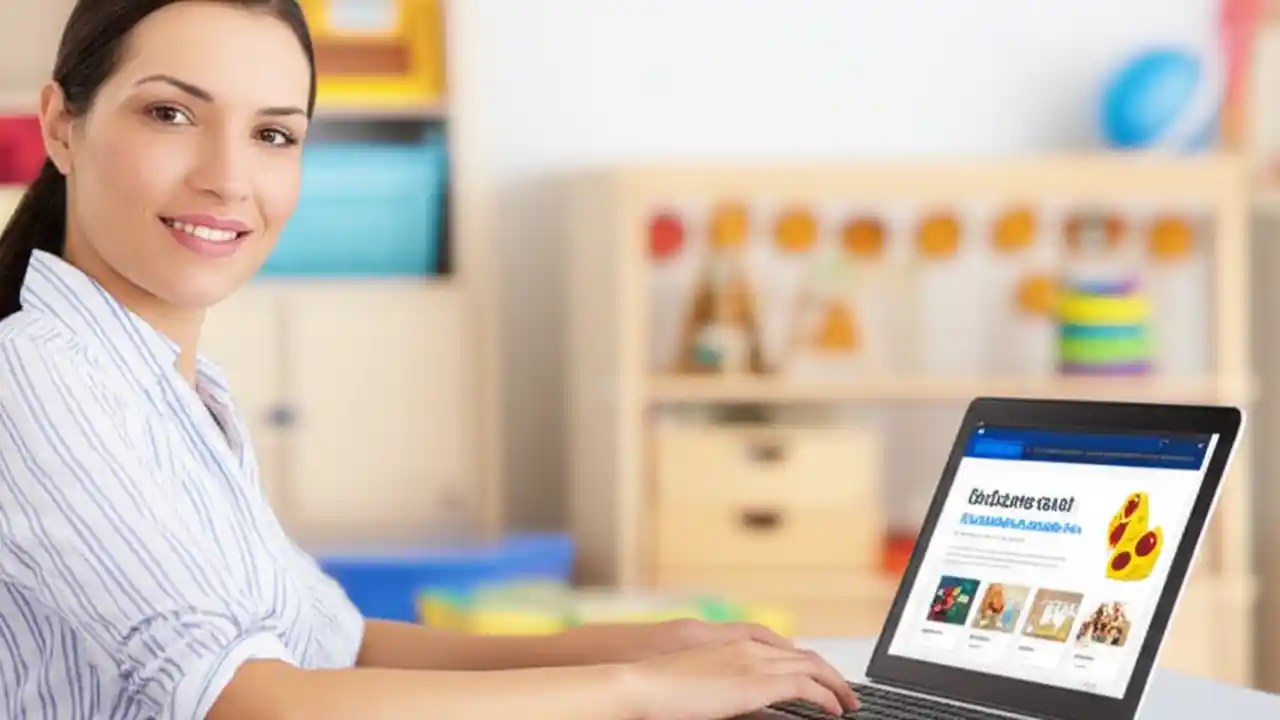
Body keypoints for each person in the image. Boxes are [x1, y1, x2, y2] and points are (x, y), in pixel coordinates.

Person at [0, 2, 860, 718]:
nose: (230, 178)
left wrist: (638, 643)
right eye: (172, 114)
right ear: (61, 127)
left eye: (273, 134)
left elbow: (338, 645)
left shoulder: (182, 392)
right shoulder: (35, 376)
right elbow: (253, 702)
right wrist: (639, 690)